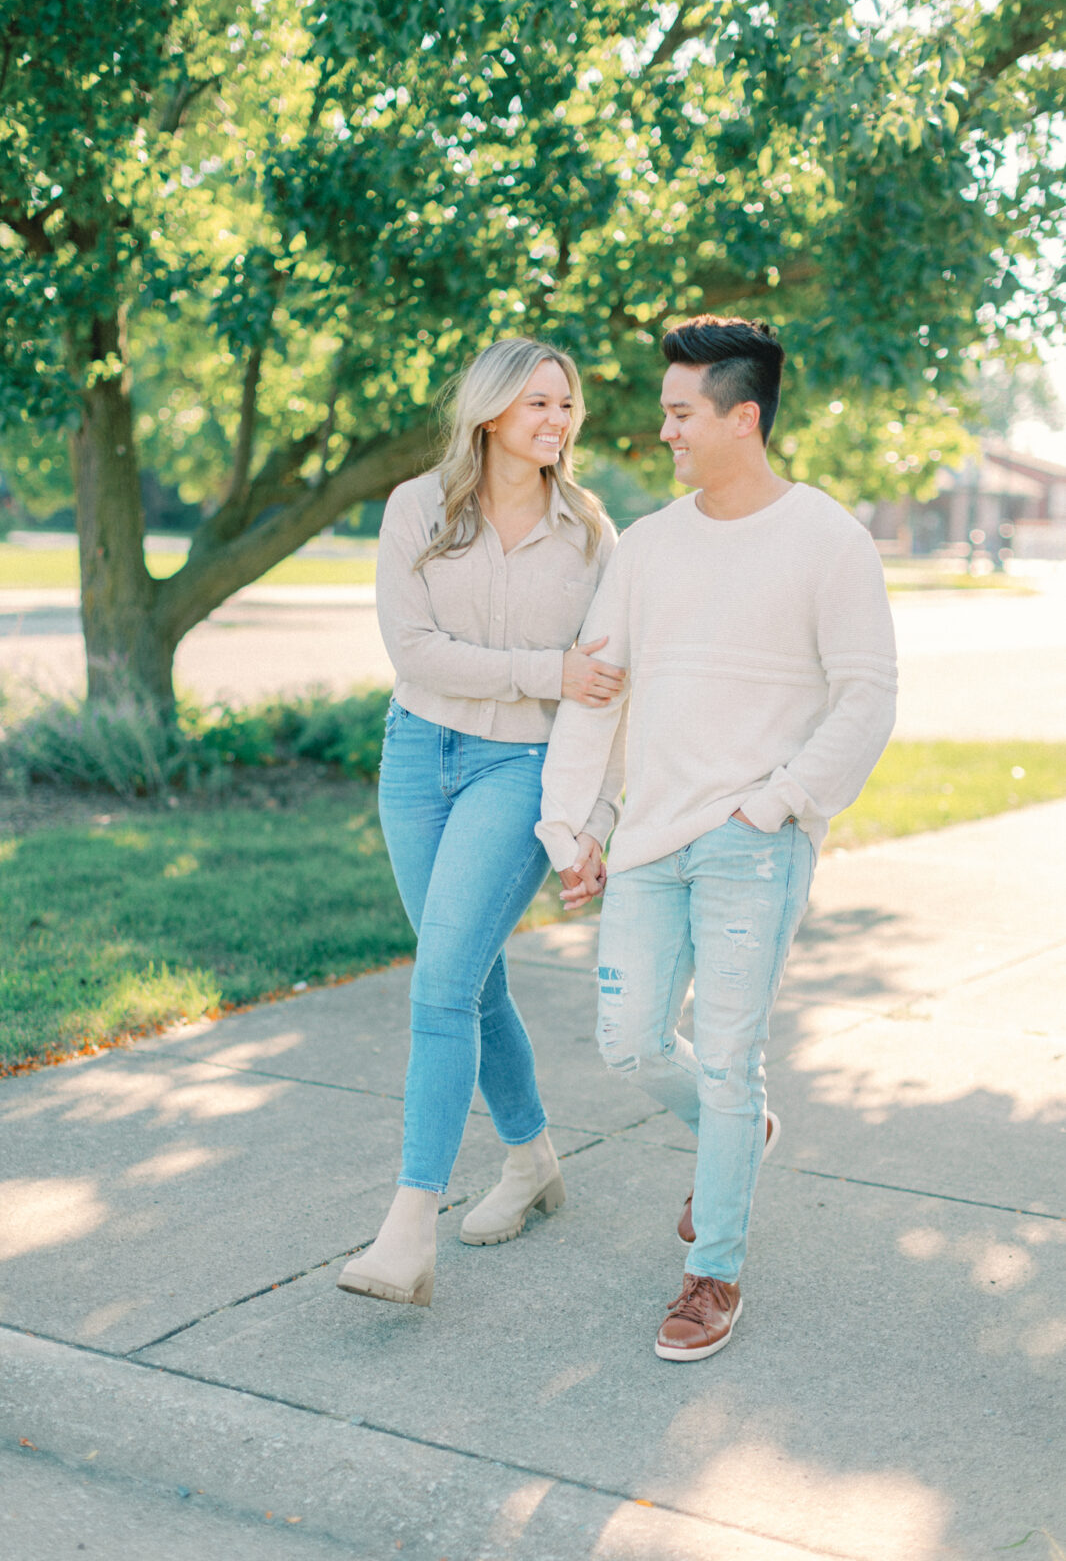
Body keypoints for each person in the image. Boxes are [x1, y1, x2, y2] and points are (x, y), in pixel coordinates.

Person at [535, 315, 897, 1360]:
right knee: (630, 1040)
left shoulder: (826, 536)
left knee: (732, 1062)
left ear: (744, 417)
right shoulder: (646, 546)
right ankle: (738, 1138)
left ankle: (712, 1272)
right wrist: (581, 823)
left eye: (682, 413)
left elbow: (866, 696)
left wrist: (780, 800)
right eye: (664, 412)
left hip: (754, 839)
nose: (666, 432)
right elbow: (599, 692)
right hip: (651, 839)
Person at [337, 337, 622, 1307]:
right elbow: (414, 652)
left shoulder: (589, 533)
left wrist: (597, 817)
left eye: (567, 405)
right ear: (491, 410)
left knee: (440, 982)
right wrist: (546, 671)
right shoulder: (418, 507)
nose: (557, 419)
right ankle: (531, 1156)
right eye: (538, 402)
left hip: (520, 768)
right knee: (470, 976)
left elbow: (610, 690)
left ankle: (408, 1228)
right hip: (416, 756)